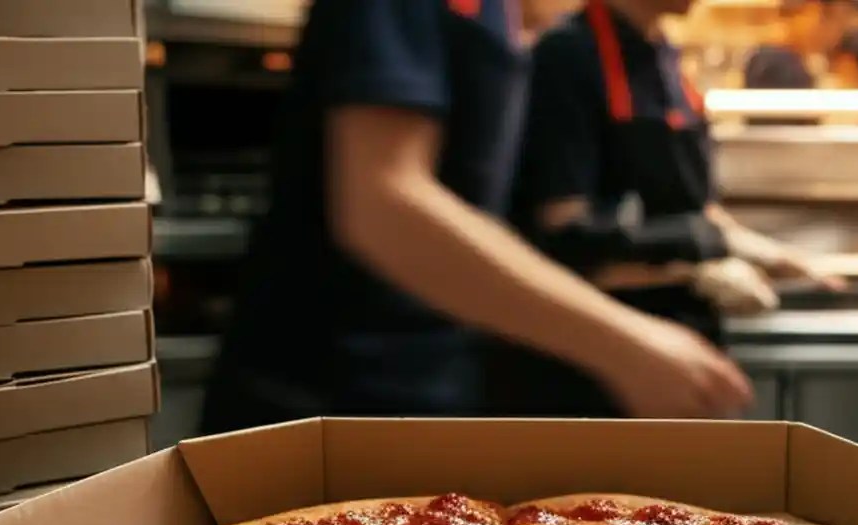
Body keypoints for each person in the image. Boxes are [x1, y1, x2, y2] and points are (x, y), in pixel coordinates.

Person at [200, 0, 754, 433]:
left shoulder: (511, 19)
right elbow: (384, 201)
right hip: (324, 406)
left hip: (430, 397)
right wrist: (625, 347)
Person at [486, 0, 841, 416]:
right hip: (598, 373)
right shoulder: (566, 56)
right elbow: (566, 240)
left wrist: (774, 255)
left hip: (681, 354)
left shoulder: (663, 56)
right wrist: (695, 271)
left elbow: (696, 207)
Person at [744, 0, 858, 89]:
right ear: (813, 11)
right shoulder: (776, 65)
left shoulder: (794, 62)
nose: (839, 32)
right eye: (837, 19)